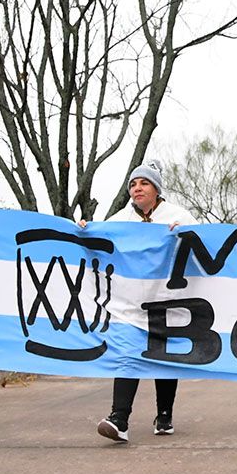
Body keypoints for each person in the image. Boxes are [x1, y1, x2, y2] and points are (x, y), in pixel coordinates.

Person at [86, 161, 197, 443]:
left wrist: (185, 234)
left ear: (156, 189)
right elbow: (95, 239)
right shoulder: (120, 220)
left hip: (167, 300)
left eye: (144, 183)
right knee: (128, 356)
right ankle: (119, 419)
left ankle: (164, 414)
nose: (137, 188)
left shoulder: (178, 215)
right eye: (133, 184)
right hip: (131, 303)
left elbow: (203, 244)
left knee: (164, 358)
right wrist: (85, 229)